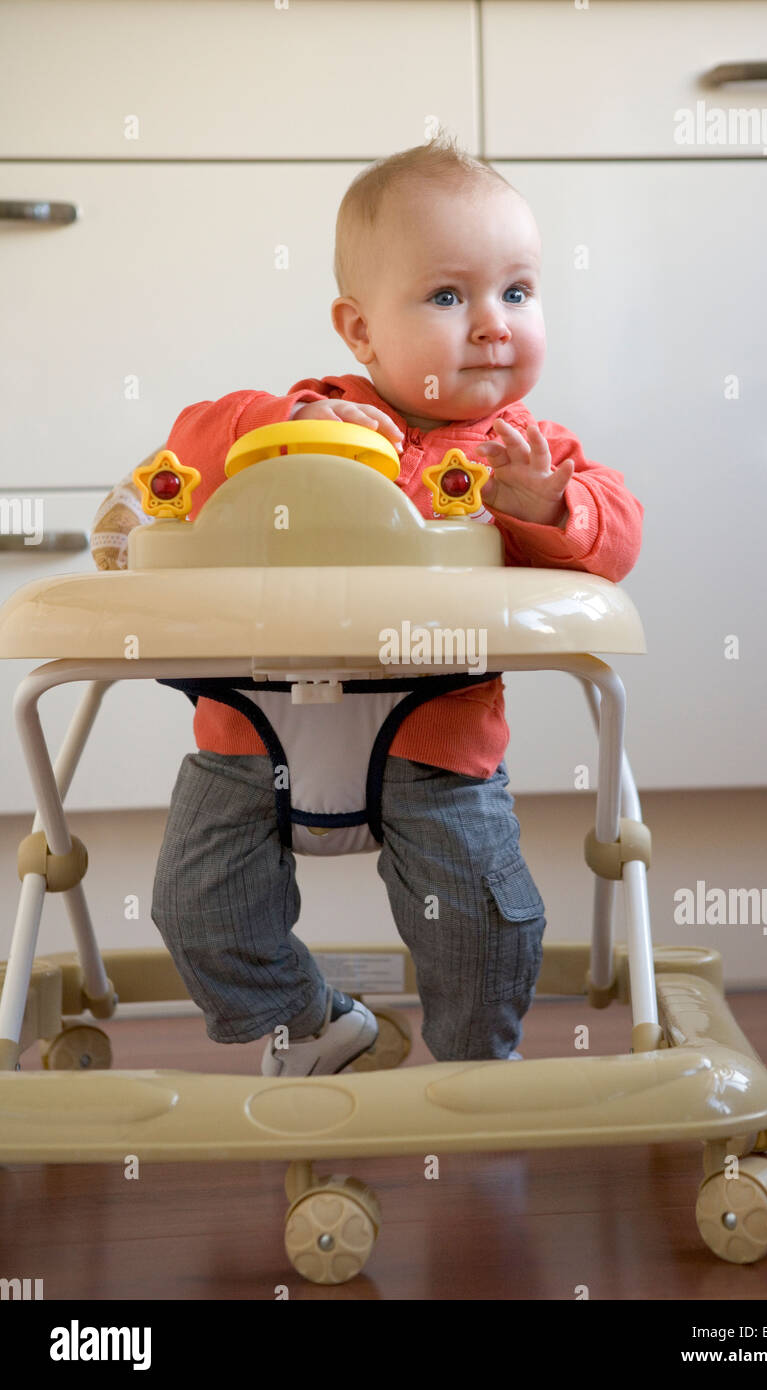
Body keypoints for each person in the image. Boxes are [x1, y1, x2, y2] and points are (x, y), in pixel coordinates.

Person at [90, 132, 643, 1076]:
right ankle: (312, 1025)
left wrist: (548, 507)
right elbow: (189, 444)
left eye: (517, 292)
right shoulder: (302, 411)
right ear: (358, 330)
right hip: (252, 724)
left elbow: (616, 537)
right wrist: (285, 427)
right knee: (198, 909)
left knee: (480, 918)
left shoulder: (525, 452)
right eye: (446, 295)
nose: (492, 323)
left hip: (439, 734)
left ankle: (477, 1066)